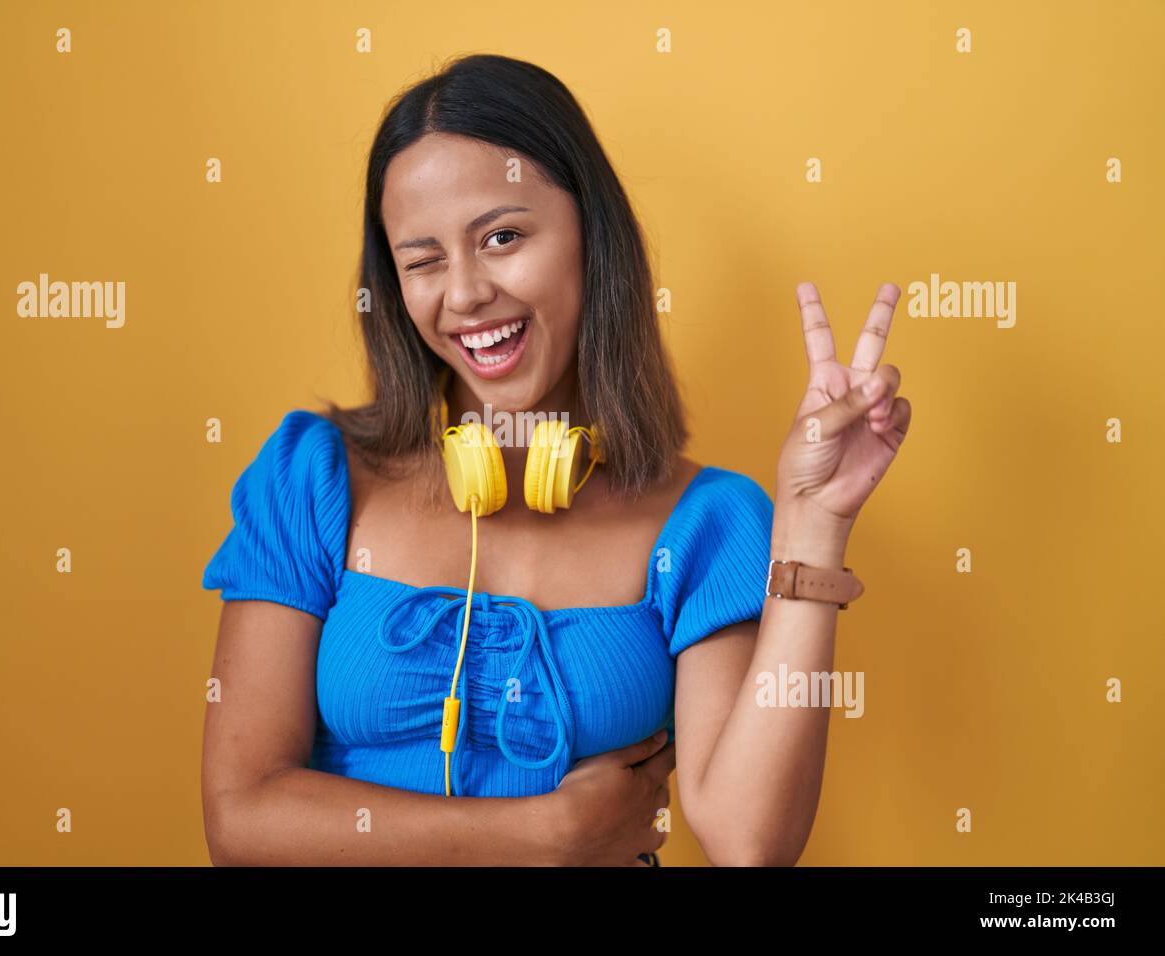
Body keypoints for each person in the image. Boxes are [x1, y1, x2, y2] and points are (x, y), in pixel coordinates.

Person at [200, 54, 911, 867]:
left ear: (590, 238)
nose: (464, 294)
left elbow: (749, 843)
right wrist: (543, 837)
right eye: (422, 260)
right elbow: (241, 821)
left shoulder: (707, 522)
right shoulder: (313, 479)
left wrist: (815, 528)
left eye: (502, 237)